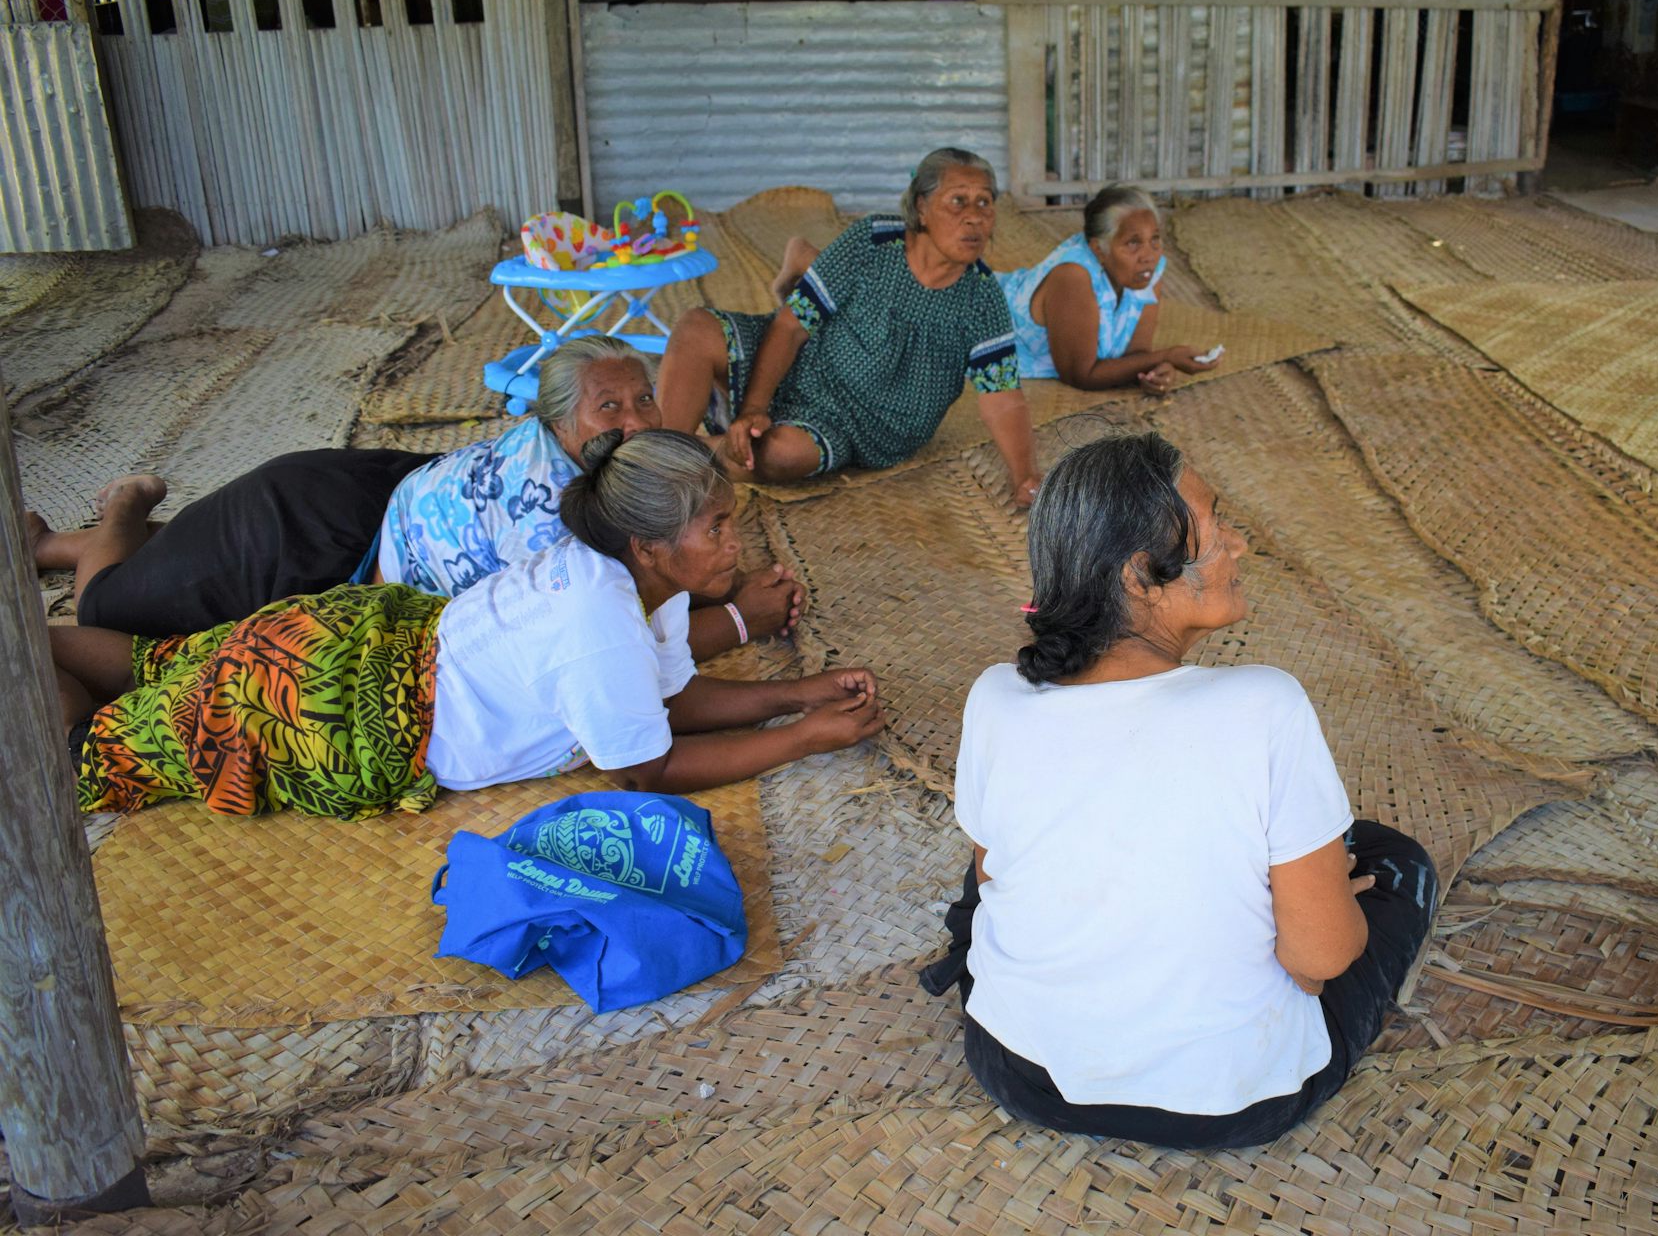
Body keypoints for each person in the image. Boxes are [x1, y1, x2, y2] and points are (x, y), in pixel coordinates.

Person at [920, 433, 1437, 1149]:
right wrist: (1318, 930)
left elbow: (988, 871)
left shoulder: (996, 696)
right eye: (1217, 526)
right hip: (1231, 1099)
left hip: (1018, 1069)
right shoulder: (1266, 706)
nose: (1240, 544)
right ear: (1140, 576)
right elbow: (1319, 961)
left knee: (1004, 851)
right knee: (1392, 857)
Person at [56, 430, 885, 820]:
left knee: (156, 666)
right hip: (325, 708)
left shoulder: (620, 575)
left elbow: (668, 696)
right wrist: (803, 738)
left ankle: (37, 649)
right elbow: (647, 770)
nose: (735, 542)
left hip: (349, 645)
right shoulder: (600, 622)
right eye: (719, 528)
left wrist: (803, 695)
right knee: (85, 753)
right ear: (651, 546)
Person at [26, 337, 802, 660]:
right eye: (611, 408)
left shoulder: (588, 468)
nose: (635, 422)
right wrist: (736, 618)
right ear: (558, 421)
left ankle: (53, 547)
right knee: (106, 614)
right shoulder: (547, 515)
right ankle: (116, 518)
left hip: (375, 491)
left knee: (188, 557)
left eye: (643, 400)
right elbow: (600, 642)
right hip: (311, 536)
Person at [654, 148, 1043, 504]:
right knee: (695, 328)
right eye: (958, 201)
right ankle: (654, 459)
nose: (974, 216)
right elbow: (791, 327)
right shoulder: (872, 242)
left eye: (985, 203)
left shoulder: (982, 297)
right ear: (922, 207)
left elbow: (1003, 397)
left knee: (780, 455)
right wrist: (754, 408)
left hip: (854, 425)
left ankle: (672, 459)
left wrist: (1025, 476)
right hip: (806, 360)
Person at [993, 185, 1222, 396]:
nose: (1149, 256)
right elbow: (1080, 375)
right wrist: (1166, 356)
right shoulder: (1073, 276)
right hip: (975, 315)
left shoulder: (1149, 270)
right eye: (1133, 243)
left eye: (1154, 239)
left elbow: (1137, 354)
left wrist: (1155, 370)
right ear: (1098, 250)